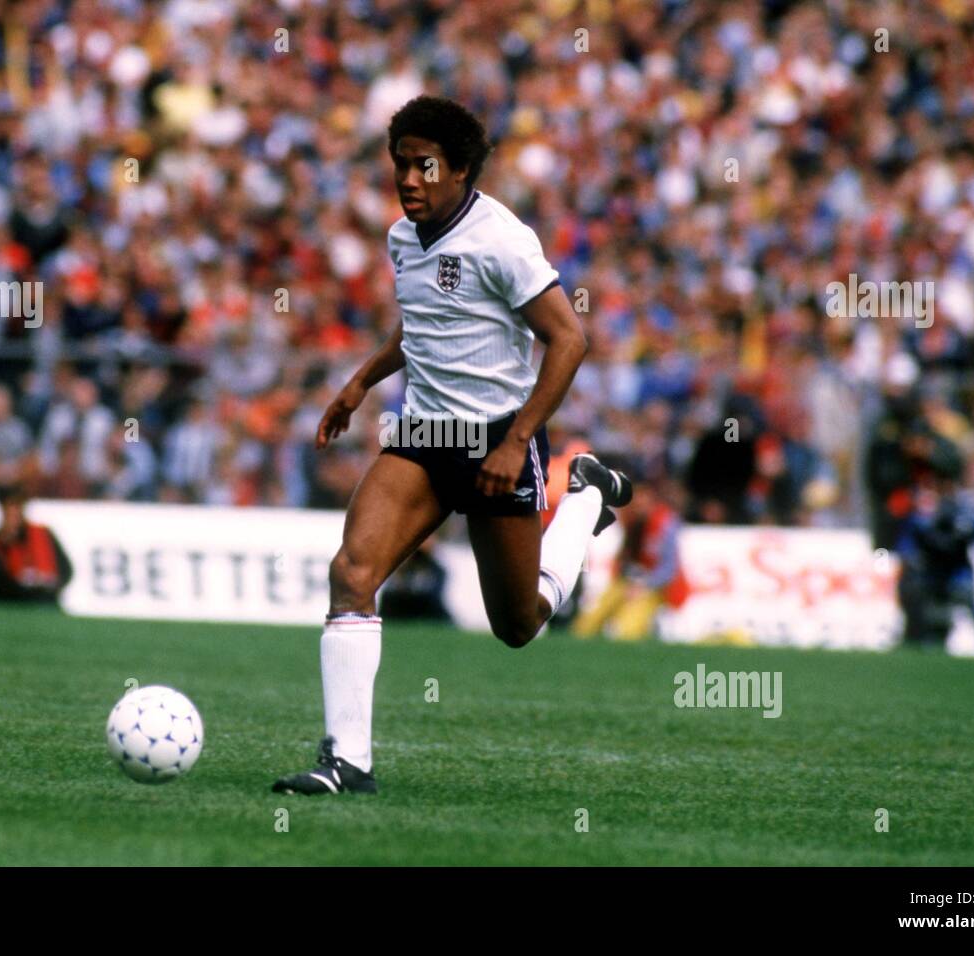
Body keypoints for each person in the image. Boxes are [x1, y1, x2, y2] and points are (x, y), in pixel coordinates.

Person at [272, 96, 632, 796]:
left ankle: (585, 500)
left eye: (424, 165)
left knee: (519, 623)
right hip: (426, 437)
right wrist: (358, 384)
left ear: (461, 169)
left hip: (500, 441)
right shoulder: (402, 239)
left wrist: (518, 440)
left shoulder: (502, 239)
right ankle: (347, 762)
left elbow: (569, 338)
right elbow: (426, 326)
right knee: (352, 573)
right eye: (400, 164)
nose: (408, 178)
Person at [573, 478, 689, 641]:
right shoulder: (631, 520)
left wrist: (644, 585)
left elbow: (669, 568)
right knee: (585, 625)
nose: (638, 505)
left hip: (656, 588)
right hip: (629, 581)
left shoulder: (666, 523)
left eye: (643, 500)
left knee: (623, 631)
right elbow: (626, 557)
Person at [895, 474, 974, 649]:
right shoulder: (918, 519)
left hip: (958, 573)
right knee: (932, 610)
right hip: (934, 575)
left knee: (965, 597)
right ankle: (932, 640)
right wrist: (913, 561)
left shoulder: (964, 515)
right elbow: (907, 547)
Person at [0, 485, 72, 604]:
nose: (14, 514)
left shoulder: (44, 534)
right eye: (10, 508)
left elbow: (66, 569)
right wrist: (2, 544)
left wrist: (51, 587)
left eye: (17, 507)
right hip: (11, 603)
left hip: (46, 601)